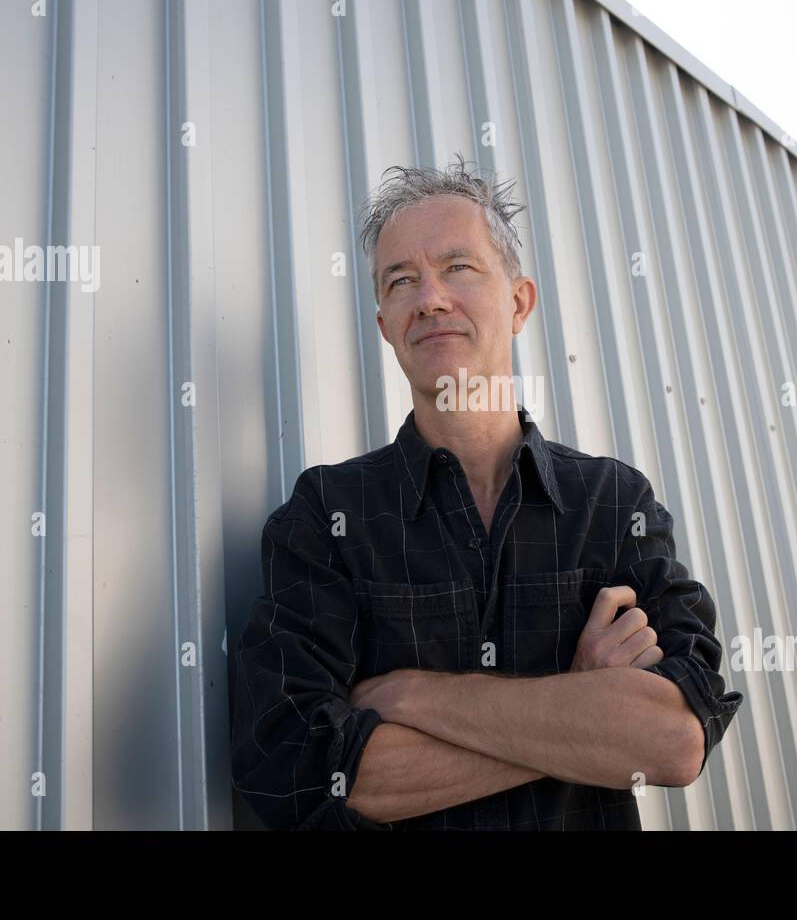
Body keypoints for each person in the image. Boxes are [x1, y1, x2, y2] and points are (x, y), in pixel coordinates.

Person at [230, 155, 743, 829]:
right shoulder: (328, 516)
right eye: (400, 281)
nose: (429, 297)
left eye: (458, 268)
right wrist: (586, 709)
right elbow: (298, 773)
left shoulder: (613, 505)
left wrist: (411, 696)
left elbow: (676, 740)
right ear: (385, 323)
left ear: (520, 302)